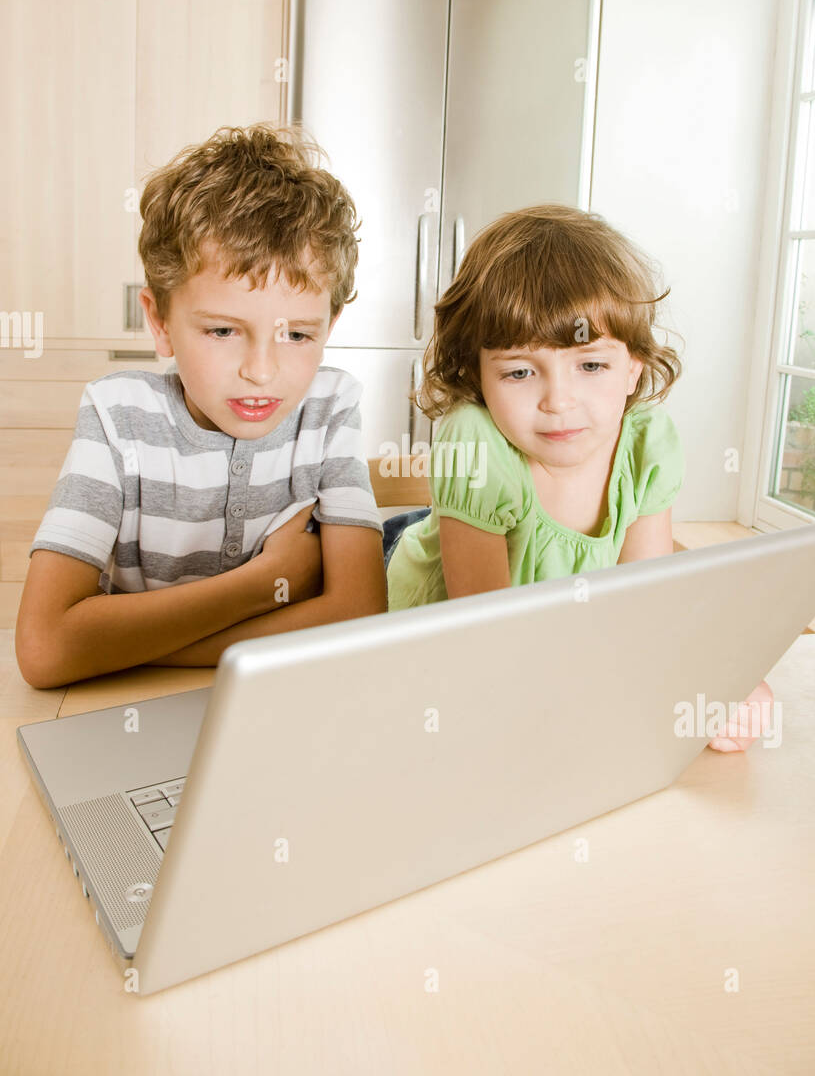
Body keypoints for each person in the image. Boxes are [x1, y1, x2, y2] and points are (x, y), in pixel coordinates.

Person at [384, 203, 772, 752]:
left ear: (633, 366)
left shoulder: (644, 441)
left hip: (551, 641)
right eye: (520, 372)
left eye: (591, 366)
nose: (558, 402)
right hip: (441, 627)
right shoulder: (472, 437)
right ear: (476, 374)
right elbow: (486, 635)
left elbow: (646, 603)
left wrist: (711, 685)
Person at [15, 123, 386, 689]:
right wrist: (268, 581)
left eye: (297, 336)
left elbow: (358, 617)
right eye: (221, 331)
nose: (261, 371)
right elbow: (45, 650)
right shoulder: (118, 415)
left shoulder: (331, 406)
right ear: (160, 322)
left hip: (274, 701)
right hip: (123, 708)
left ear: (330, 326)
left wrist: (126, 647)